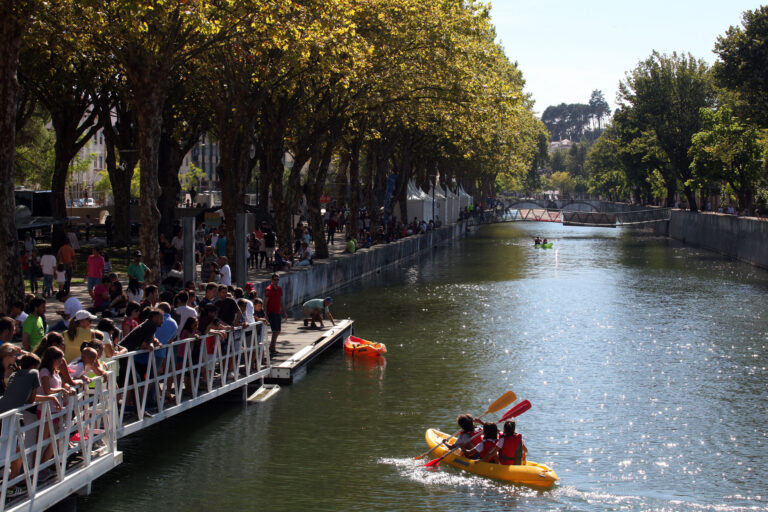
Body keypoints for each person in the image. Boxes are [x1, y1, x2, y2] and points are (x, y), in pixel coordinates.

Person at [263, 274, 287, 356]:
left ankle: (272, 346)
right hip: (271, 312)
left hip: (277, 312)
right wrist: (266, 313)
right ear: (272, 280)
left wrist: (284, 311)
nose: (276, 281)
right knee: (275, 330)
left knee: (278, 330)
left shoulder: (279, 289)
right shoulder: (268, 289)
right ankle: (272, 347)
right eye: (275, 279)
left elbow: (280, 301)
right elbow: (265, 303)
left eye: (278, 280)